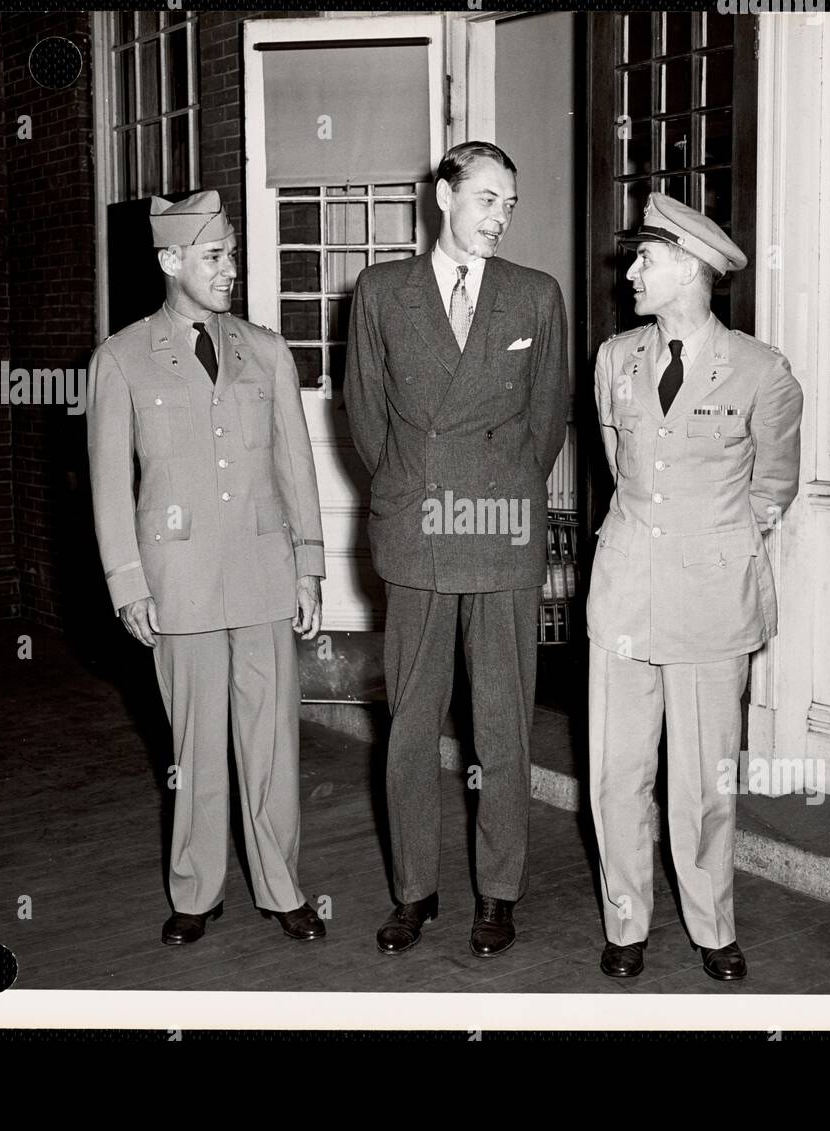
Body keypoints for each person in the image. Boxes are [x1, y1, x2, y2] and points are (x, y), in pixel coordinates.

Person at [344, 141, 569, 957]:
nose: (499, 217)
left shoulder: (535, 297)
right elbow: (366, 418)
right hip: (418, 536)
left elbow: (545, 426)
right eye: (485, 199)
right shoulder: (379, 293)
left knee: (501, 726)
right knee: (408, 726)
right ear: (442, 195)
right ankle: (415, 889)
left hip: (501, 532)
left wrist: (494, 490)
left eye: (510, 204)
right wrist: (416, 490)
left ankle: (498, 892)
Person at [87, 190, 327, 946]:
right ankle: (195, 891)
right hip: (178, 585)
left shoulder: (267, 350)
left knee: (272, 744)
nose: (231, 270)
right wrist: (127, 580)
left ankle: (281, 885)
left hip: (264, 574)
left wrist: (311, 565)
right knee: (193, 748)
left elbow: (296, 464)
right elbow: (107, 484)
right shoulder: (120, 358)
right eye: (215, 257)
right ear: (170, 260)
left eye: (231, 255)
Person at [587, 192, 803, 980]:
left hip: (712, 601)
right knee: (617, 773)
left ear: (690, 268)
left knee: (705, 780)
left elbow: (773, 488)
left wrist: (708, 548)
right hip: (624, 596)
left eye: (646, 259)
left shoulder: (761, 370)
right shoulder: (615, 358)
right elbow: (623, 466)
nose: (631, 273)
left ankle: (712, 925)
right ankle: (625, 922)